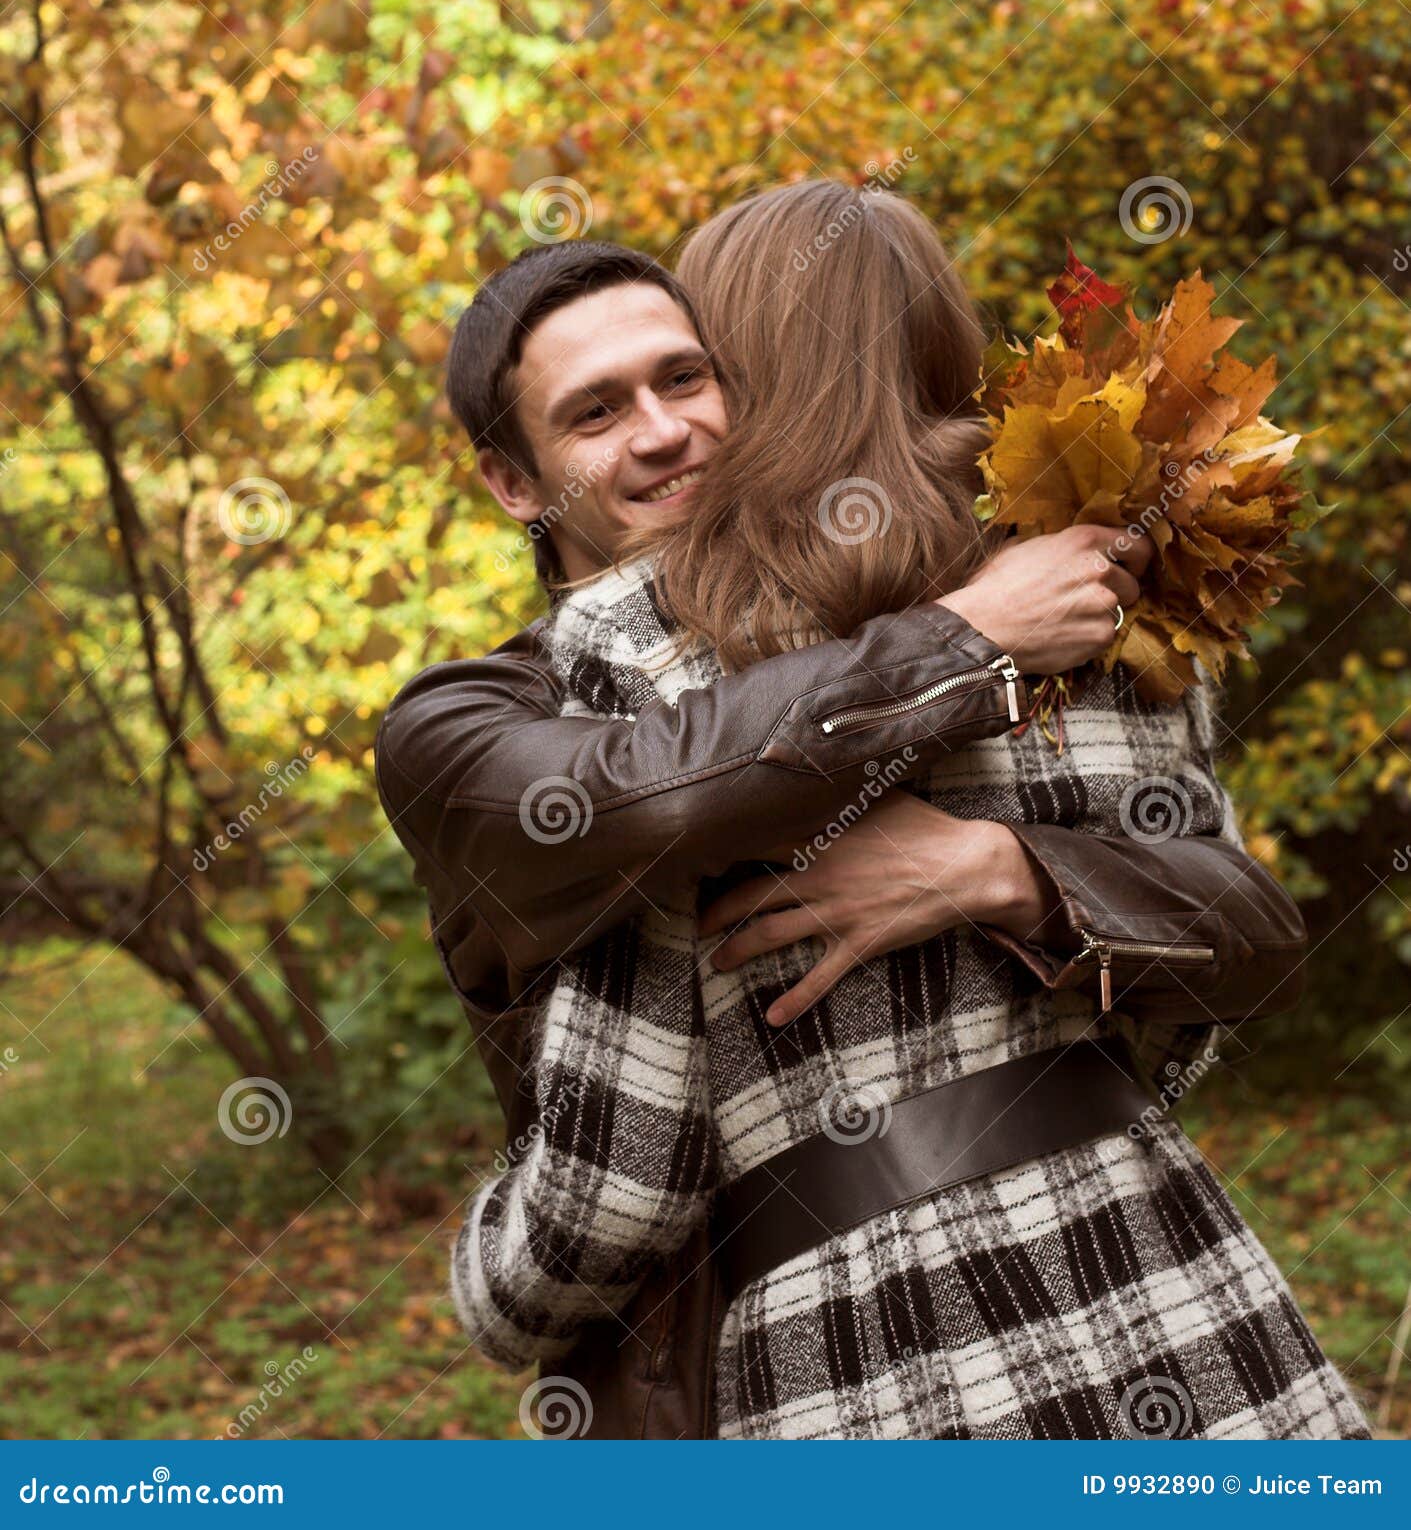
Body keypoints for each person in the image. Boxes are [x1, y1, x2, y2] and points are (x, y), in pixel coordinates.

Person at [375, 219, 1332, 1438]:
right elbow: (660, 784)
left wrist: (1003, 871)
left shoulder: (1036, 597)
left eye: (685, 377)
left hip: (867, 1357)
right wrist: (972, 637)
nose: (665, 430)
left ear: (749, 380)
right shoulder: (477, 721)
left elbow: (619, 1189)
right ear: (514, 483)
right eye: (596, 413)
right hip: (1165, 1281)